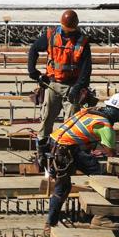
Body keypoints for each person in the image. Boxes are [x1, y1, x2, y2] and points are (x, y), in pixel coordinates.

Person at [44, 92, 119, 232]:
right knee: (105, 177)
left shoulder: (91, 111)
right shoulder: (104, 126)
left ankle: (50, 225)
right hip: (66, 151)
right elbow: (112, 157)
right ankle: (101, 219)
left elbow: (80, 134)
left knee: (62, 187)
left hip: (57, 145)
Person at [27, 10, 92, 165]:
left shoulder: (82, 42)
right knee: (46, 118)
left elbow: (86, 70)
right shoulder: (51, 35)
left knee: (71, 123)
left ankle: (66, 156)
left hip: (72, 86)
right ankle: (42, 154)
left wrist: (77, 88)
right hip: (52, 83)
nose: (66, 32)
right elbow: (34, 49)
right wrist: (33, 71)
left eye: (69, 29)